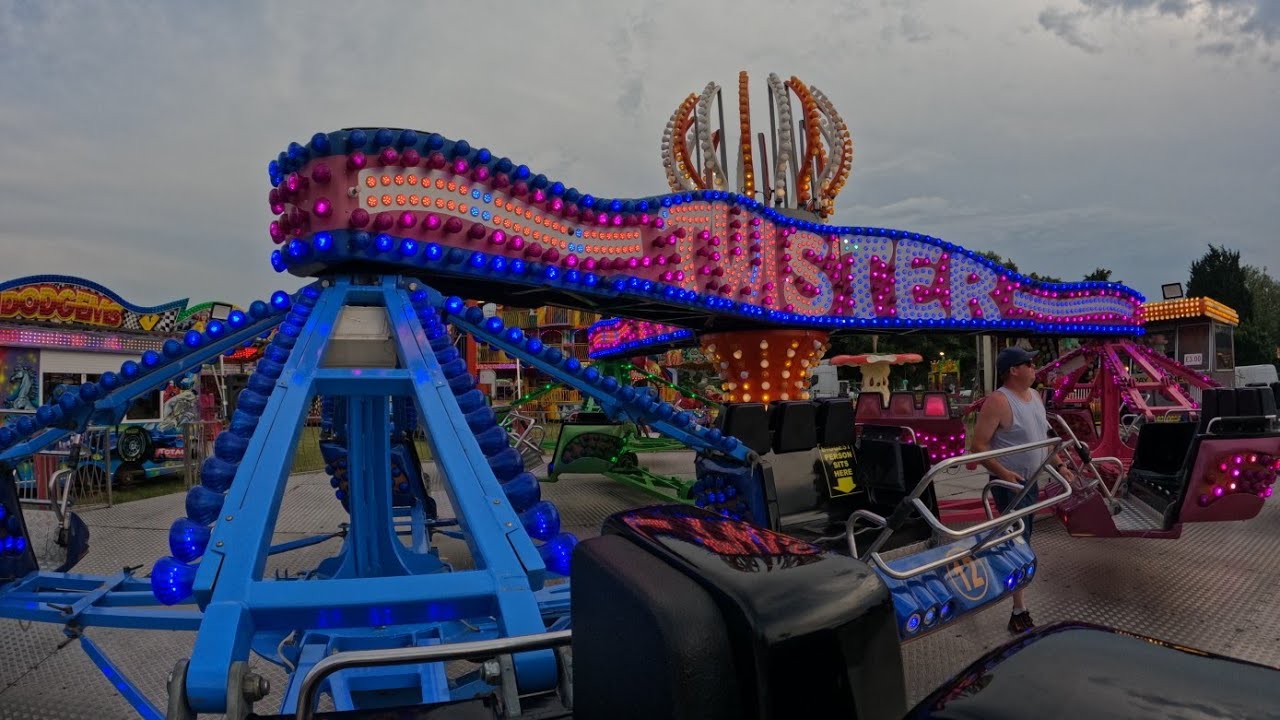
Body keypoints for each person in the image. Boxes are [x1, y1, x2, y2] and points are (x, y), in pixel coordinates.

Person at [970, 346, 1073, 634]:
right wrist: (1003, 473)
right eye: (1028, 363)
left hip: (1031, 481)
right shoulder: (999, 401)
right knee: (1019, 541)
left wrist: (1060, 464)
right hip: (1009, 485)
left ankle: (1014, 596)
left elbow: (1043, 439)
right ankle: (1018, 609)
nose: (1034, 367)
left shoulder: (1035, 398)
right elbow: (977, 447)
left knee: (1022, 539)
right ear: (1013, 370)